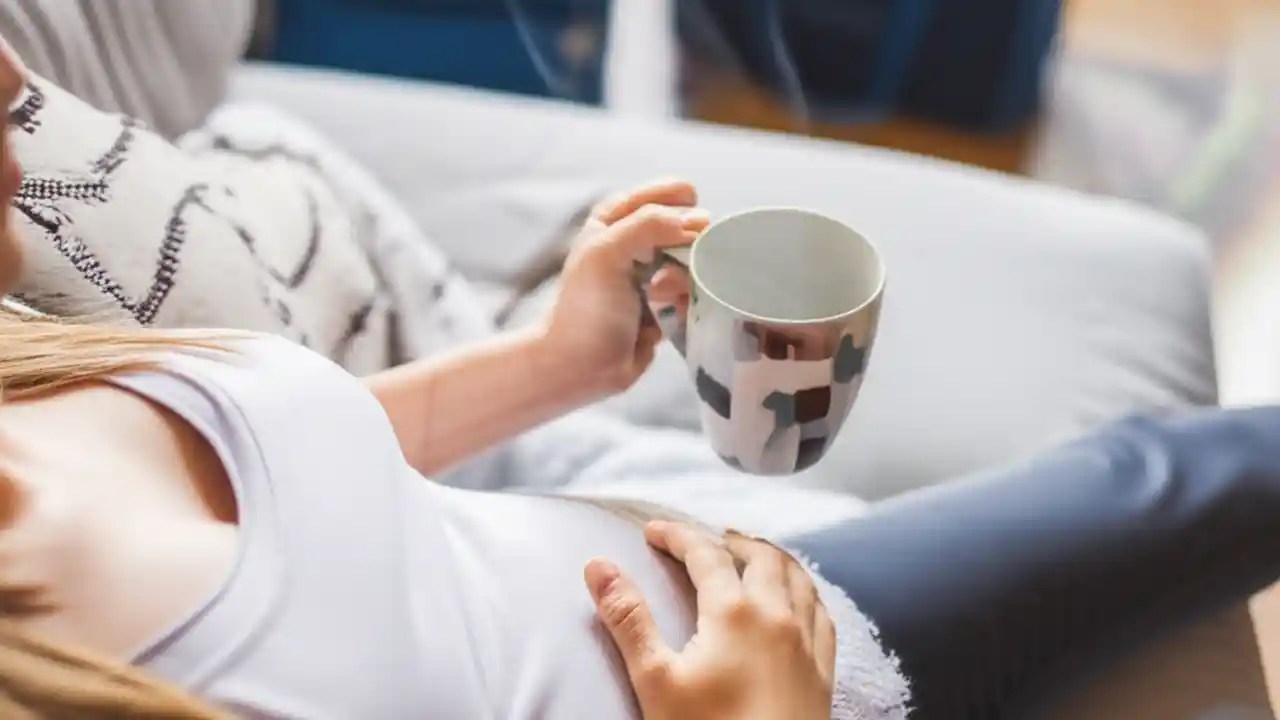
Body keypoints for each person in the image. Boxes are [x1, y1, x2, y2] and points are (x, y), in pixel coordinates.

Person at [2, 42, 1280, 720]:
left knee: (1170, 479)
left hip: (731, 576)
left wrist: (552, 366)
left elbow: (275, 486)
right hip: (817, 672)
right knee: (1171, 488)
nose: (17, 82)